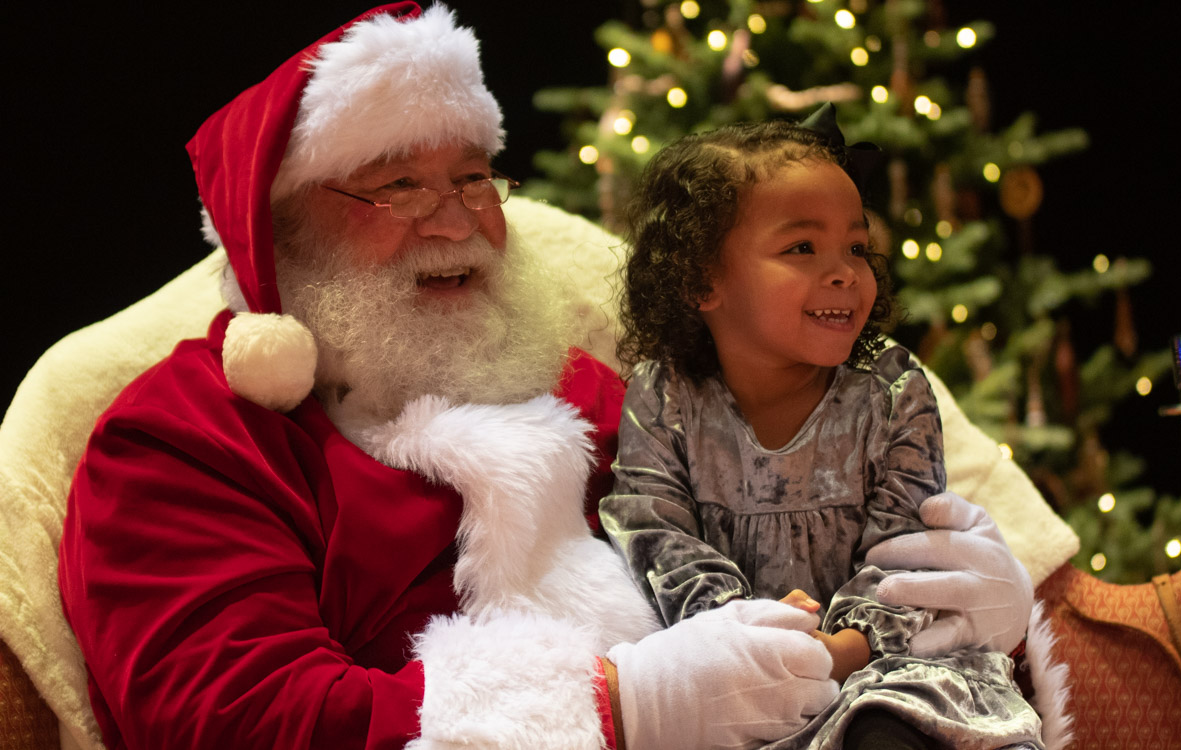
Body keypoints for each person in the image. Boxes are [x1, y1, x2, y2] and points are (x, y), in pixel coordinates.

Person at [56, 4, 1036, 749]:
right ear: (283, 234)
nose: (457, 220)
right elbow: (241, 719)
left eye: (473, 176)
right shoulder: (185, 437)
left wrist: (954, 611)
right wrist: (618, 706)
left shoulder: (573, 389)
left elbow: (772, 566)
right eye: (399, 185)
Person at [600, 110, 1043, 749]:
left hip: (884, 656)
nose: (844, 272)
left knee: (918, 701)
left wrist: (847, 647)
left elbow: (905, 544)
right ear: (701, 280)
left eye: (856, 248)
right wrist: (747, 628)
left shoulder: (892, 391)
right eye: (802, 248)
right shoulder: (665, 395)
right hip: (743, 668)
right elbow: (654, 530)